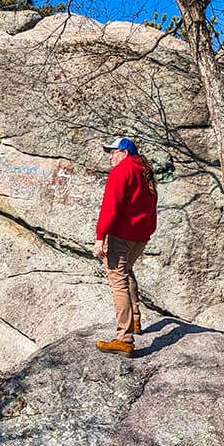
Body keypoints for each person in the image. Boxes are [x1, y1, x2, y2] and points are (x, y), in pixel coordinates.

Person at [93, 136, 158, 355]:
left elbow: (111, 207)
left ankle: (125, 338)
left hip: (121, 235)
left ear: (125, 153)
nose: (110, 156)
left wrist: (100, 237)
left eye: (113, 152)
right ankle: (136, 321)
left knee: (117, 280)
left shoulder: (122, 172)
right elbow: (152, 207)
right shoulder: (145, 173)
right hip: (139, 237)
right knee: (126, 272)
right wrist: (148, 232)